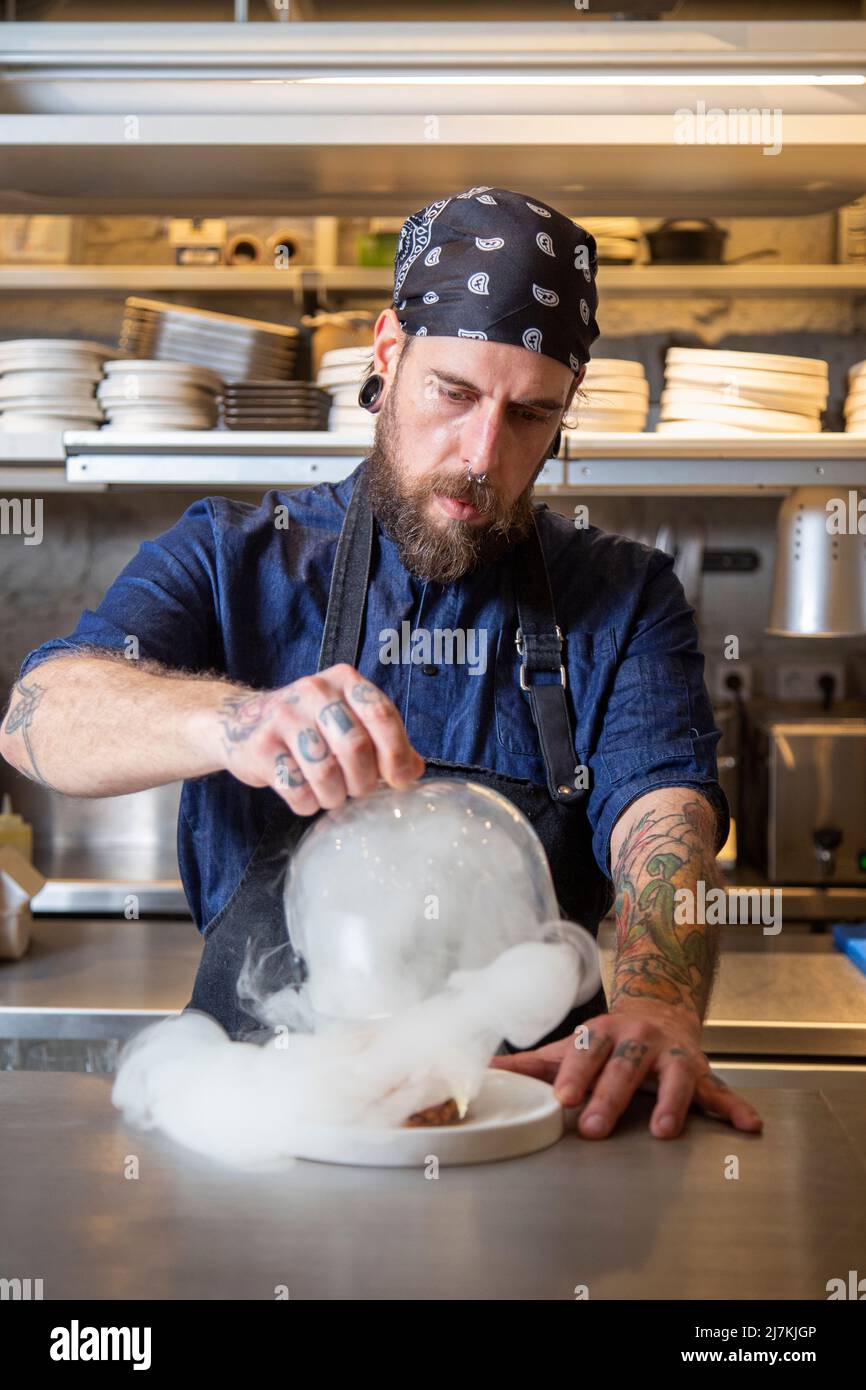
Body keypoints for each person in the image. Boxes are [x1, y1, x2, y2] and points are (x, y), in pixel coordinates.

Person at [0, 185, 762, 1142]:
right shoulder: (235, 557)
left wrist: (660, 999)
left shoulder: (624, 595)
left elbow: (667, 814)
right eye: (454, 393)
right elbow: (41, 716)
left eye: (531, 416)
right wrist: (237, 724)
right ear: (388, 350)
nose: (481, 454)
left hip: (537, 1126)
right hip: (271, 1127)